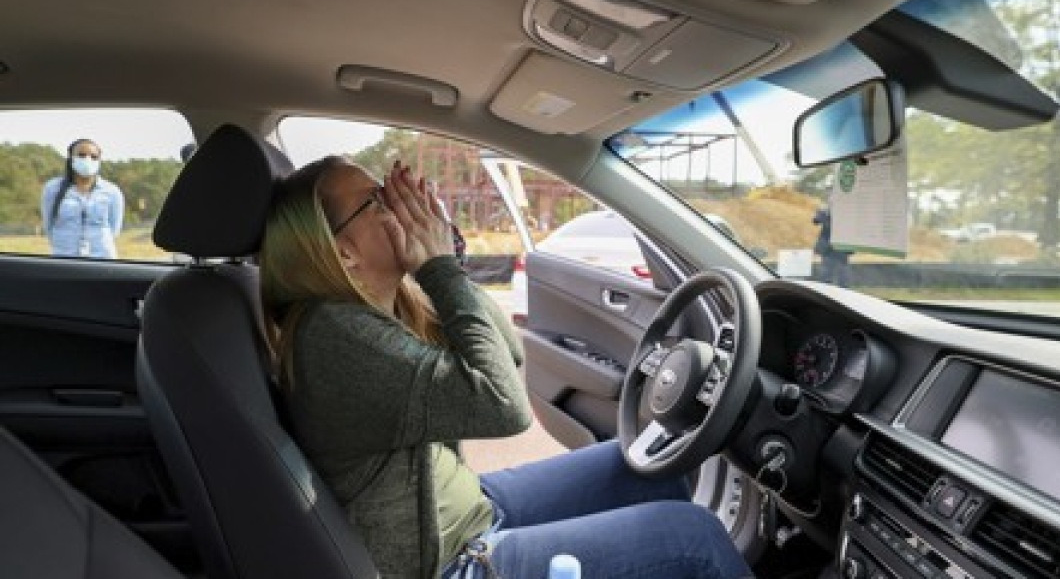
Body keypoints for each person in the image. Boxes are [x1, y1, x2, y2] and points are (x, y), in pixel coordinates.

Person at [259, 156, 753, 579]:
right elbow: (505, 407)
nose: (402, 205)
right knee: (695, 540)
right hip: (447, 561)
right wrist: (436, 270)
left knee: (648, 463)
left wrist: (444, 260)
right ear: (342, 253)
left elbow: (507, 354)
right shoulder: (336, 334)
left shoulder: (380, 309)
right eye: (379, 201)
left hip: (466, 506)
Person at [40, 138, 125, 258]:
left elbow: (114, 229)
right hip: (64, 258)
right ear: (71, 158)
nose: (87, 159)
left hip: (102, 259)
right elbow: (49, 225)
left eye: (94, 157)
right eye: (81, 155)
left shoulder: (112, 191)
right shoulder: (53, 188)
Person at [813, 207, 851, 287]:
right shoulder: (826, 210)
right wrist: (826, 213)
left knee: (842, 272)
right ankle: (826, 291)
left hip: (842, 245)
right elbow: (816, 221)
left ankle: (844, 292)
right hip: (828, 247)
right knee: (826, 272)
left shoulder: (847, 211)